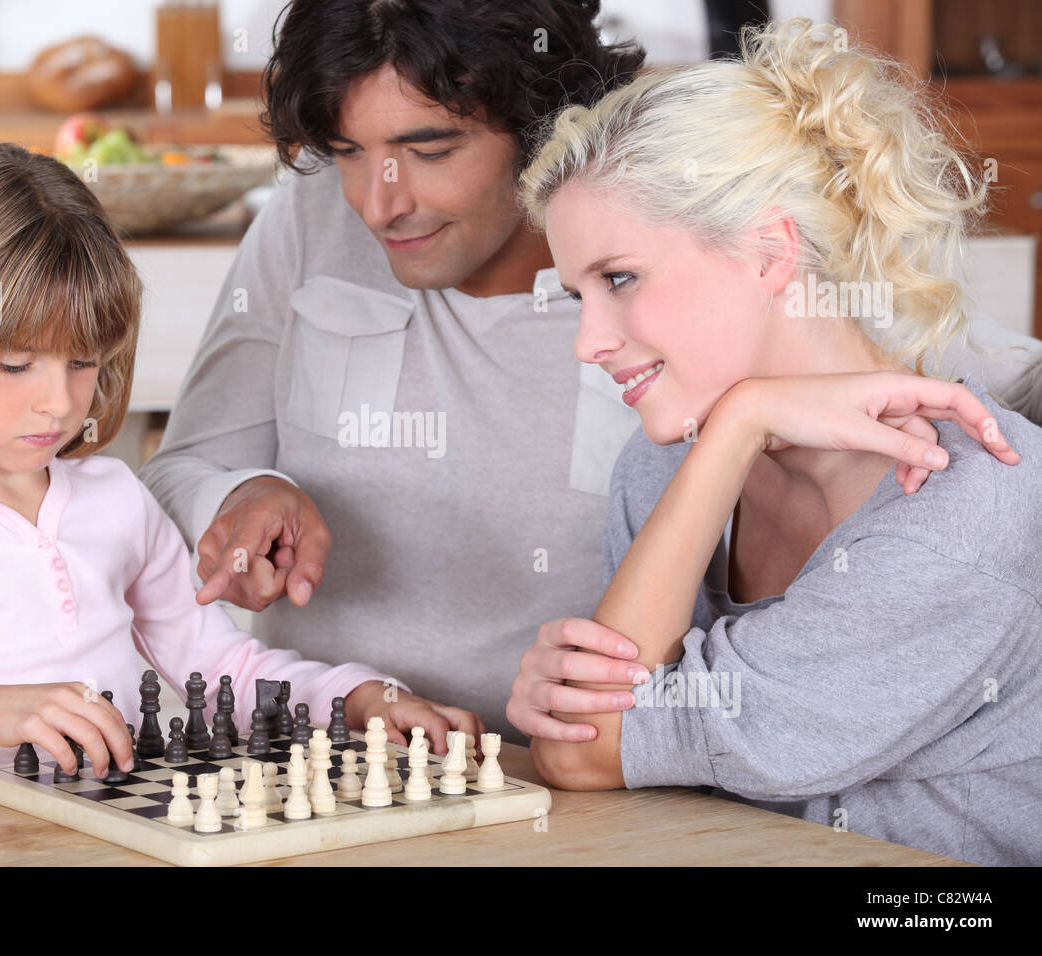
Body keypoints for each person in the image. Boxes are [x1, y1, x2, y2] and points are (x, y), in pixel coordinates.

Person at [139, 0, 1042, 743]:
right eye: (345, 153)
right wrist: (242, 494)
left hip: (588, 780)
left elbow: (945, 362)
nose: (381, 203)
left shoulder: (688, 235)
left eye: (432, 150)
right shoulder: (309, 221)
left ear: (535, 124)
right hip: (336, 753)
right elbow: (182, 468)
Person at [0, 143, 478, 804]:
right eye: (16, 364)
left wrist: (358, 698)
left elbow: (224, 667)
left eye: (84, 362)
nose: (60, 401)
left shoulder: (114, 498)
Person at [507, 19, 1042, 865]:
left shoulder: (966, 510)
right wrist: (738, 428)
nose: (588, 341)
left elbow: (584, 745)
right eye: (578, 294)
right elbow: (595, 738)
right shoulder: (664, 466)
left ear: (769, 253)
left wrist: (744, 422)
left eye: (619, 279)